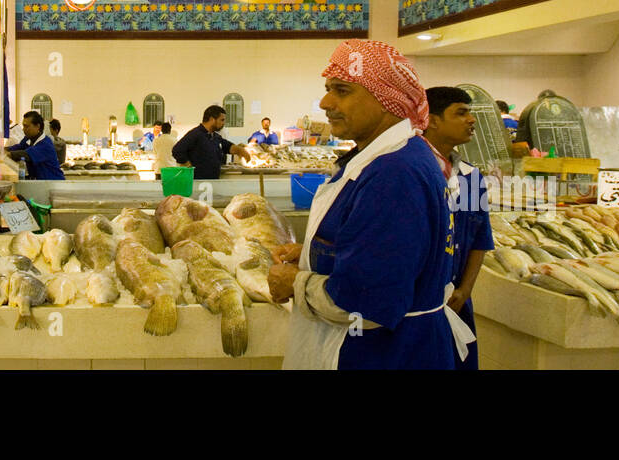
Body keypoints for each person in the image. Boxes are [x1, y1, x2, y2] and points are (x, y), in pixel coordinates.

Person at [276, 39, 470, 370]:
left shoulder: (395, 173)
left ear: (386, 99)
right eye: (328, 89)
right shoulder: (386, 157)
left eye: (342, 90)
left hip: (388, 354)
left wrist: (294, 282)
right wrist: (315, 252)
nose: (325, 102)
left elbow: (365, 303)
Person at [423, 86, 493, 370]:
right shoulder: (410, 171)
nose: (471, 120)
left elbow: (480, 239)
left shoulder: (471, 177)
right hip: (419, 306)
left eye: (471, 113)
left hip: (457, 303)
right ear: (432, 119)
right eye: (460, 113)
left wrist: (465, 290)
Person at [172, 105, 247, 181]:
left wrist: (240, 150)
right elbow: (177, 150)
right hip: (198, 182)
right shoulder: (195, 134)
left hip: (212, 181)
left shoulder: (215, 136)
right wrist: (187, 165)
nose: (223, 123)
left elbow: (227, 146)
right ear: (212, 119)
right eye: (222, 120)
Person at [5, 110, 66, 180]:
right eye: (23, 126)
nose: (24, 129)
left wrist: (7, 154)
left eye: (26, 126)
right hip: (40, 182)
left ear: (37, 126)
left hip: (53, 183)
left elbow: (26, 154)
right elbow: (18, 147)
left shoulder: (45, 144)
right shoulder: (28, 139)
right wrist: (2, 150)